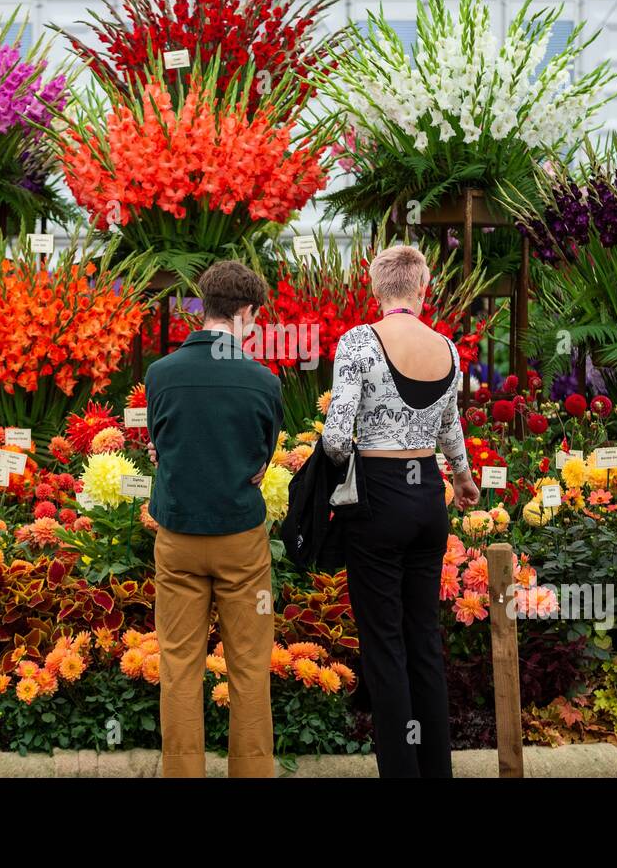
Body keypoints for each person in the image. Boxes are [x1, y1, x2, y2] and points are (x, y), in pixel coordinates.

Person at [320, 244, 479, 778]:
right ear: (423, 287)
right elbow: (450, 426)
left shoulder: (359, 343)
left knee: (384, 644)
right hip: (427, 498)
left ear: (374, 287)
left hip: (379, 497)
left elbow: (338, 437)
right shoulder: (448, 349)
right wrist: (462, 477)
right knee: (423, 639)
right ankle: (437, 770)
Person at [145, 261, 283, 778]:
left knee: (179, 666)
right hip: (241, 539)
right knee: (249, 665)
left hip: (178, 535)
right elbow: (261, 456)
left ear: (205, 306)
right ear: (246, 313)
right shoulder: (262, 381)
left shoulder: (160, 374)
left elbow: (161, 444)